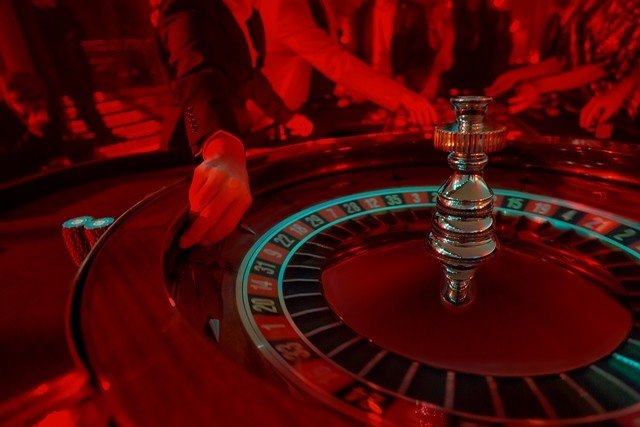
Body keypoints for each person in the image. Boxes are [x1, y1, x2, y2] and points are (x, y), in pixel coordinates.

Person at [157, 0, 314, 247]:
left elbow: (248, 74)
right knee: (194, 232)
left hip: (235, 133)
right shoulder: (183, 5)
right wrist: (218, 142)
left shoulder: (248, 9)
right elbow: (193, 74)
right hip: (192, 140)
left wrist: (287, 117)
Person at [251, 0, 438, 130]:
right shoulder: (285, 5)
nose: (360, 3)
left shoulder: (321, 5)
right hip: (272, 125)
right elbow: (335, 61)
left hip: (303, 118)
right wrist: (402, 96)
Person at [487, 0, 640, 124]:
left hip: (618, 117)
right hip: (580, 110)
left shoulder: (627, 5)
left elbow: (604, 66)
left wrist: (539, 86)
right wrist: (515, 76)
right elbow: (565, 60)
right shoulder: (581, 5)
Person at [22, 0, 121, 145]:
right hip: (64, 63)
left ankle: (99, 133)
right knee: (83, 100)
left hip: (70, 61)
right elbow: (73, 31)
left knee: (84, 100)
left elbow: (78, 31)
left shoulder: (50, 11)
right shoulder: (39, 14)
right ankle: (100, 134)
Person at [351, 0, 454, 99]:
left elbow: (420, 55)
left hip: (401, 87)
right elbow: (357, 53)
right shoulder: (361, 11)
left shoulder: (413, 12)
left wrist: (403, 78)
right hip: (368, 87)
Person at [0, 72, 63, 180]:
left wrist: (59, 158)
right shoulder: (3, 118)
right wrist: (33, 133)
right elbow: (8, 165)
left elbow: (54, 147)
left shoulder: (39, 108)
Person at [445, 0, 511, 92]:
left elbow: (500, 54)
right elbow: (446, 54)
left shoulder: (495, 19)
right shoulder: (454, 18)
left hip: (487, 83)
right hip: (456, 83)